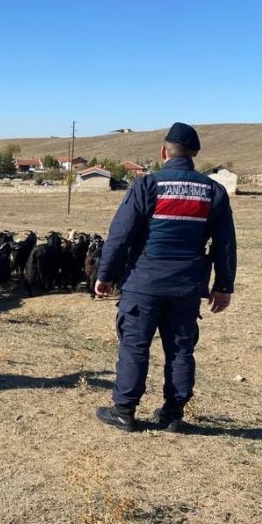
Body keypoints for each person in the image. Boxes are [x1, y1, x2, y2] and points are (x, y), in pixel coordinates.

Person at [94, 122, 237, 433]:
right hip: (186, 287)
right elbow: (225, 243)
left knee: (134, 345)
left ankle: (124, 411)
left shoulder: (147, 185)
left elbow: (120, 236)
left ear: (163, 152)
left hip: (144, 284)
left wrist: (105, 275)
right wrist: (223, 287)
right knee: (181, 349)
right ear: (196, 154)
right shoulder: (213, 191)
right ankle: (173, 414)